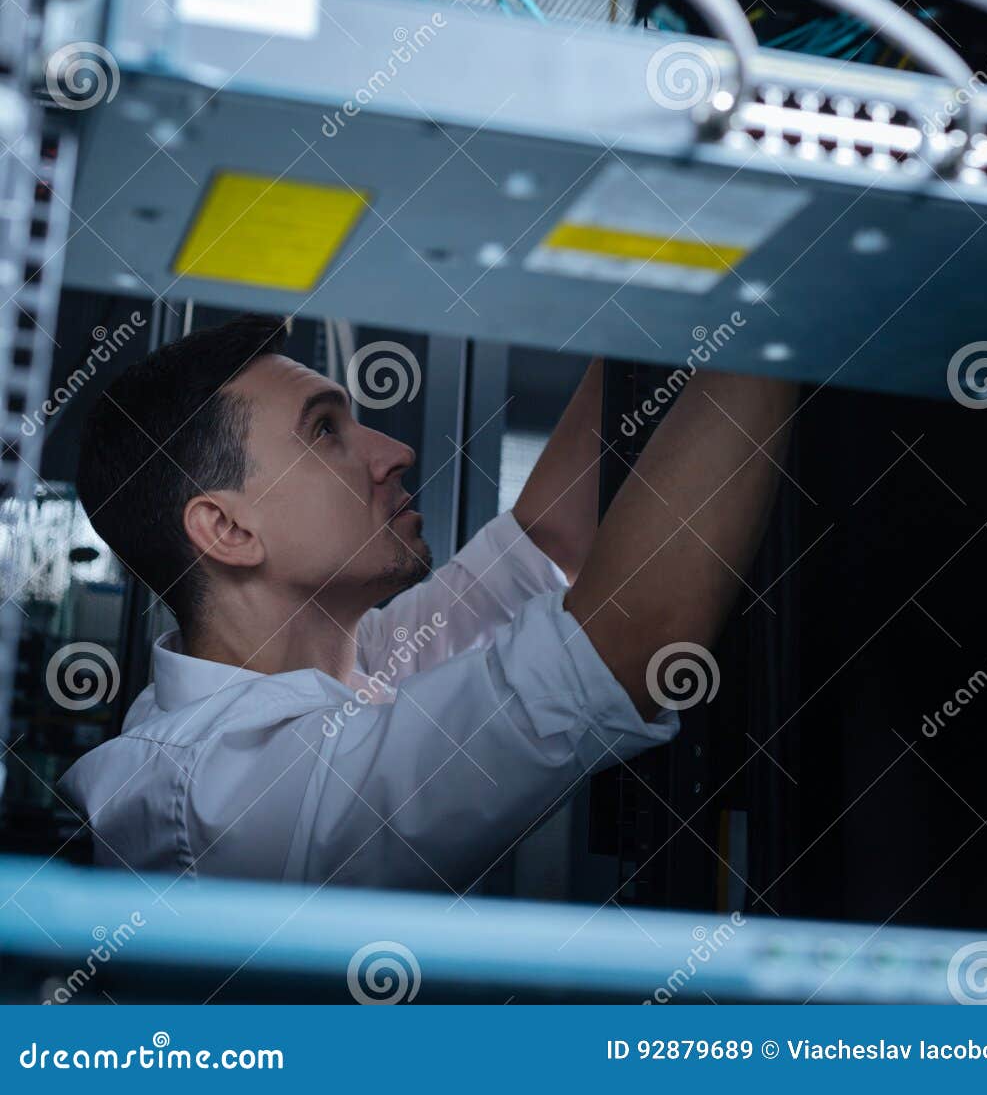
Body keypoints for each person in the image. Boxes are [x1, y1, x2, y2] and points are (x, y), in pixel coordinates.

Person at [60, 314, 794, 892]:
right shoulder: (219, 795)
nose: (394, 452)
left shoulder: (346, 661)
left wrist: (662, 289)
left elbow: (546, 541)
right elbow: (628, 647)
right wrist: (785, 313)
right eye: (325, 431)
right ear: (228, 530)